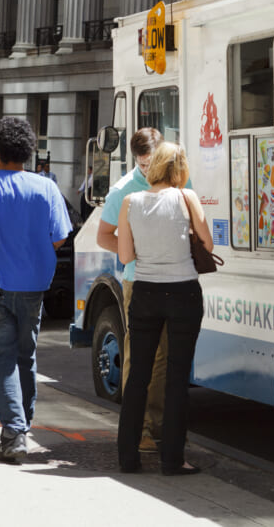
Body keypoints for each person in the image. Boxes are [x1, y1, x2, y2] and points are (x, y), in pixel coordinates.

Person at [0, 117, 73, 463]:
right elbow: (60, 235)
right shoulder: (46, 186)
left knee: (2, 359)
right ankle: (22, 427)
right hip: (34, 285)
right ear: (28, 151)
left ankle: (13, 431)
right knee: (25, 355)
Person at [115, 142, 211, 475]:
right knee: (176, 376)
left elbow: (125, 256)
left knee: (138, 375)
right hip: (183, 292)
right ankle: (172, 459)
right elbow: (208, 244)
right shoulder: (187, 198)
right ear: (180, 168)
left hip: (145, 293)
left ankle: (128, 457)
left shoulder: (130, 202)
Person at [97, 127, 170, 453]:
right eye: (142, 165)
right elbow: (103, 236)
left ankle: (157, 426)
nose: (148, 170)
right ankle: (137, 429)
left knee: (163, 357)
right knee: (139, 357)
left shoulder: (178, 181)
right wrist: (134, 251)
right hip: (137, 281)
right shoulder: (123, 190)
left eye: (153, 163)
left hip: (171, 281)